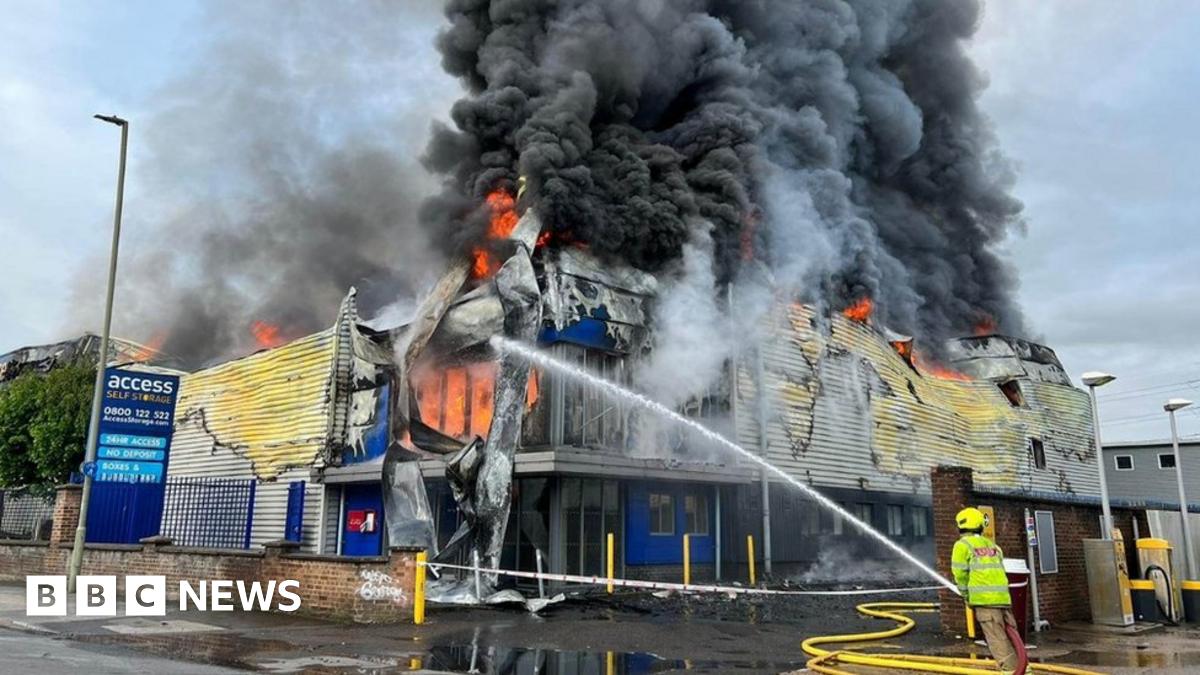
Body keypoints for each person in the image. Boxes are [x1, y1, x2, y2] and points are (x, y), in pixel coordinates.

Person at [952, 507, 1020, 673]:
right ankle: (1025, 668)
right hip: (1003, 598)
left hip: (984, 601)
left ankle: (1011, 671)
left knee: (997, 640)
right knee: (1013, 638)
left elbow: (960, 574)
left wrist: (966, 596)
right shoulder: (993, 545)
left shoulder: (962, 545)